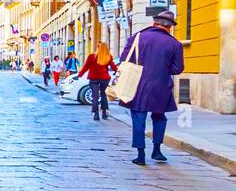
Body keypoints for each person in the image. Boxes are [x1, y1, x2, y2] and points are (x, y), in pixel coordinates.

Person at [119, 10, 185, 165]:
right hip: (161, 85)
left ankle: (140, 154)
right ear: (170, 27)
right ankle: (157, 150)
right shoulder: (175, 44)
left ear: (154, 23)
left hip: (136, 84)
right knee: (159, 117)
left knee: (138, 117)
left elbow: (124, 60)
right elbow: (177, 69)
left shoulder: (137, 38)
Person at [76, 41, 117, 121]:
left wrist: (79, 75)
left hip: (94, 78)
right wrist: (118, 71)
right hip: (104, 79)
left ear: (98, 48)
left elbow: (85, 67)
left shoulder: (91, 57)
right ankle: (105, 112)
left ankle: (95, 114)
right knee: (103, 94)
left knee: (95, 96)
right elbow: (114, 67)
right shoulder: (108, 57)